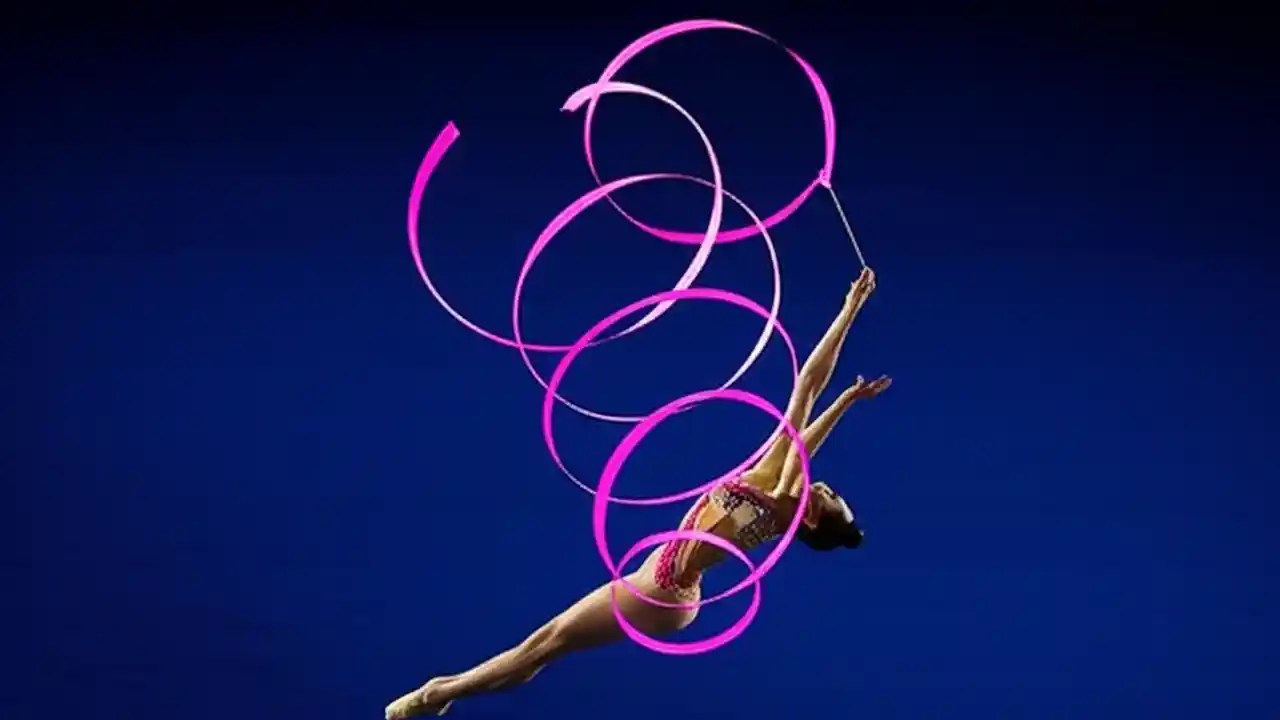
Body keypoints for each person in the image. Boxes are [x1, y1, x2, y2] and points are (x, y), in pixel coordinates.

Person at [385, 268, 891, 719]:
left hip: (664, 590)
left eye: (830, 500)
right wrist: (848, 371)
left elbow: (805, 401)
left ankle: (435, 694)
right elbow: (810, 401)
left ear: (810, 518)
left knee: (546, 643)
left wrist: (848, 335)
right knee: (544, 648)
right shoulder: (778, 481)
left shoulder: (782, 496)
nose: (827, 487)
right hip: (668, 579)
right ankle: (444, 693)